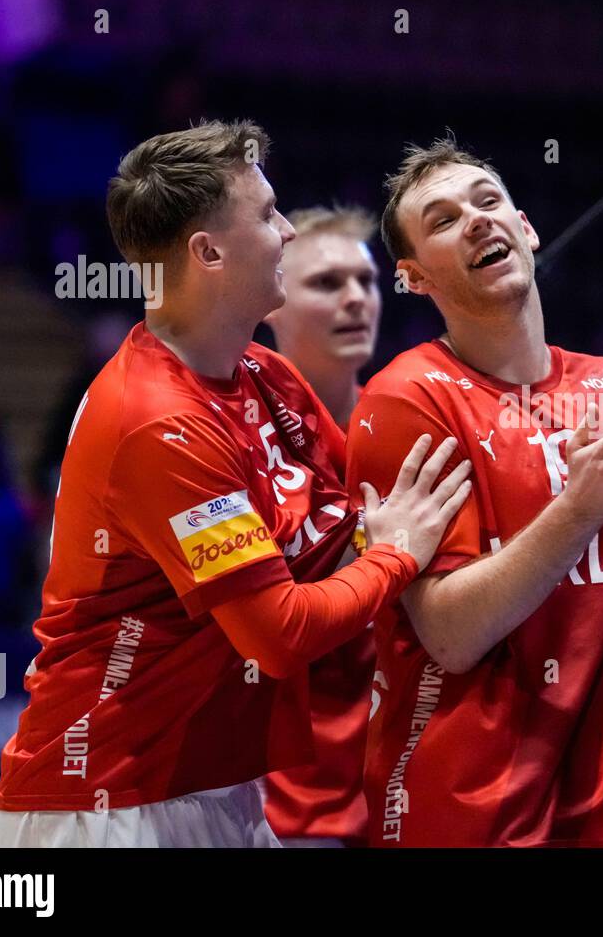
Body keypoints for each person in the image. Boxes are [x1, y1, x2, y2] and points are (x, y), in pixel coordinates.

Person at [0, 120, 470, 847]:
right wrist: (395, 556)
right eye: (269, 213)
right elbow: (279, 634)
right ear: (207, 252)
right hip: (105, 801)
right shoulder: (156, 423)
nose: (285, 230)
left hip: (216, 784)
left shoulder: (266, 376)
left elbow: (358, 520)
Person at [346, 136, 603, 846]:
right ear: (415, 277)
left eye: (489, 202)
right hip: (468, 810)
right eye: (444, 219)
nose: (478, 220)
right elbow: (451, 638)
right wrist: (580, 508)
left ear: (526, 227)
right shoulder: (405, 401)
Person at [261, 203, 384, 846]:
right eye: (326, 284)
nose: (356, 300)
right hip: (279, 812)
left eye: (366, 281)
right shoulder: (229, 441)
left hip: (400, 799)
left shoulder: (411, 431)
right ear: (270, 301)